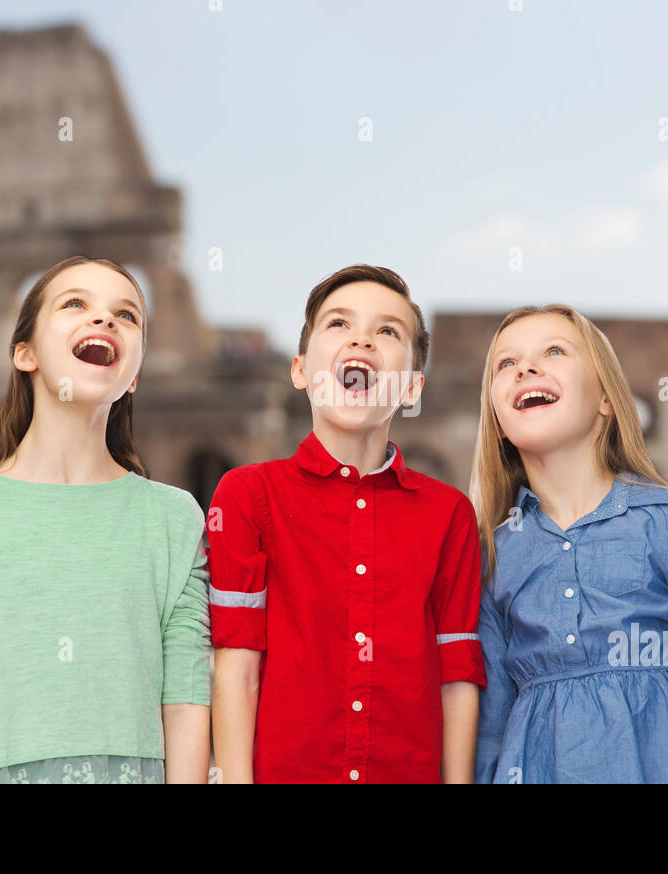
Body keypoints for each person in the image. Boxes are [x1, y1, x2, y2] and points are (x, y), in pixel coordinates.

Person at [0, 255, 212, 783]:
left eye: (127, 315)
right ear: (24, 353)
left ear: (135, 374)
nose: (105, 319)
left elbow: (186, 708)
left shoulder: (174, 519)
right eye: (75, 304)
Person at [208, 264, 486, 783]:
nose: (362, 338)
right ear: (299, 371)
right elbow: (236, 668)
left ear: (412, 387)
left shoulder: (449, 514)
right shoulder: (247, 495)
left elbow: (456, 672)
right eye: (338, 324)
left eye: (388, 331)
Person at [472, 304, 668, 783]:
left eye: (554, 351)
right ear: (499, 420)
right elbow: (491, 724)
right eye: (506, 363)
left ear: (605, 397)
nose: (525, 367)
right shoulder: (493, 551)